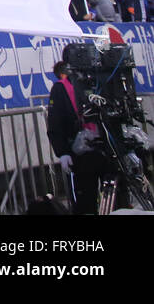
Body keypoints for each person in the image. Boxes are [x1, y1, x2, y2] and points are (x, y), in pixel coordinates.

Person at [47, 61, 102, 214]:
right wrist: (62, 151)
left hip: (102, 147)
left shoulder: (95, 82)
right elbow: (55, 122)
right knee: (85, 200)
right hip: (79, 151)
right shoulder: (60, 88)